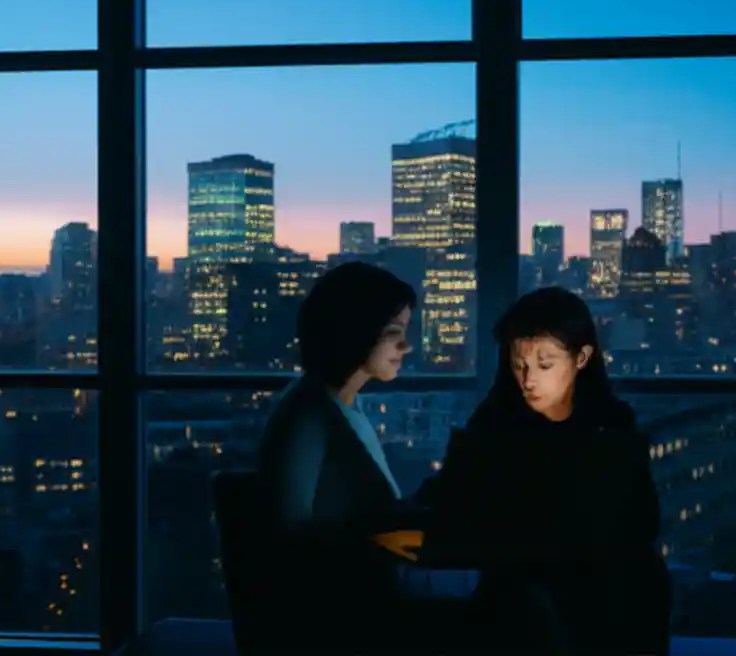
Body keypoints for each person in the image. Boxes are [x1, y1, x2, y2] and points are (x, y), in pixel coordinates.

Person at [408, 286, 672, 655]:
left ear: (581, 358)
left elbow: (641, 521)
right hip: (521, 584)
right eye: (519, 365)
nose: (528, 379)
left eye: (545, 365)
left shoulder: (610, 427)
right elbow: (451, 496)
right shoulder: (496, 420)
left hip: (593, 584)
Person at [254, 261, 474, 655]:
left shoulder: (340, 408)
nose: (405, 347)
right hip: (350, 618)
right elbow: (287, 534)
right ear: (355, 334)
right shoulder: (310, 414)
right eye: (394, 334)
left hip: (369, 599)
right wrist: (379, 534)